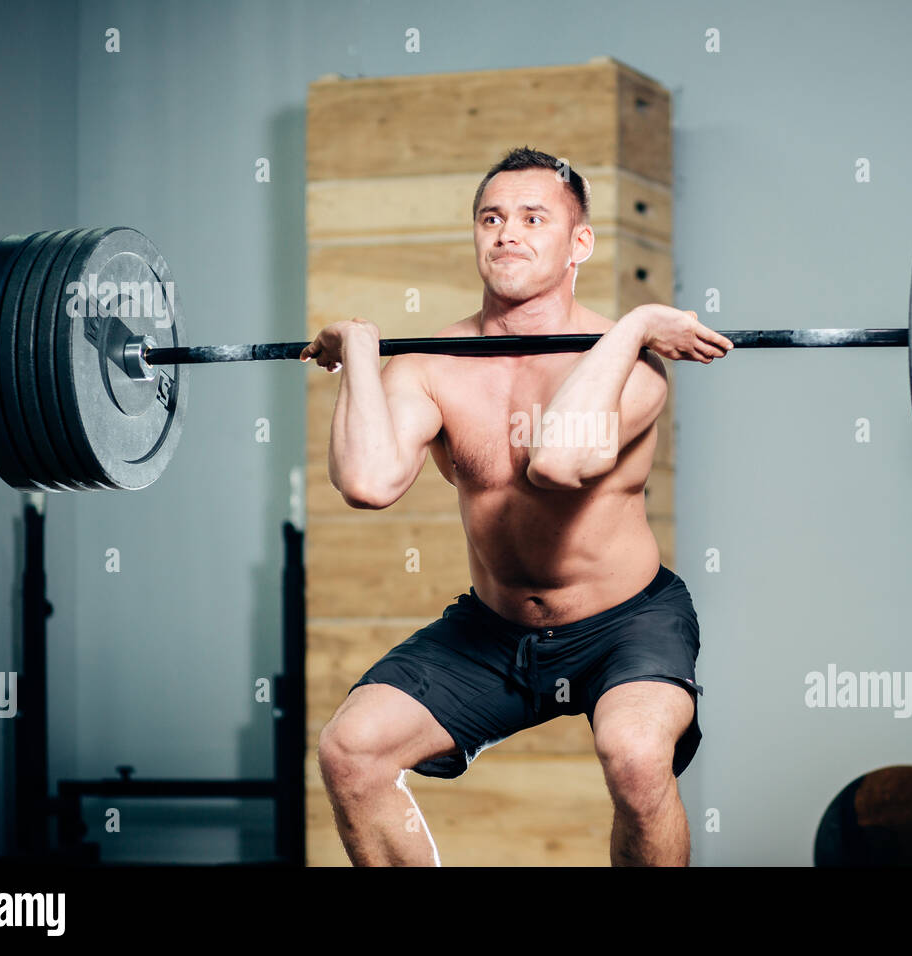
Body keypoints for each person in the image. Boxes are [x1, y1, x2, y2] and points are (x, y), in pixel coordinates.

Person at [305, 146, 732, 866]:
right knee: (351, 752)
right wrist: (360, 356)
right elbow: (368, 483)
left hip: (626, 624)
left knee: (633, 757)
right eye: (492, 217)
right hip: (494, 631)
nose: (508, 232)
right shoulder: (432, 366)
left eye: (535, 218)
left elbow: (560, 460)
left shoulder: (634, 370)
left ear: (580, 244)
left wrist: (630, 329)